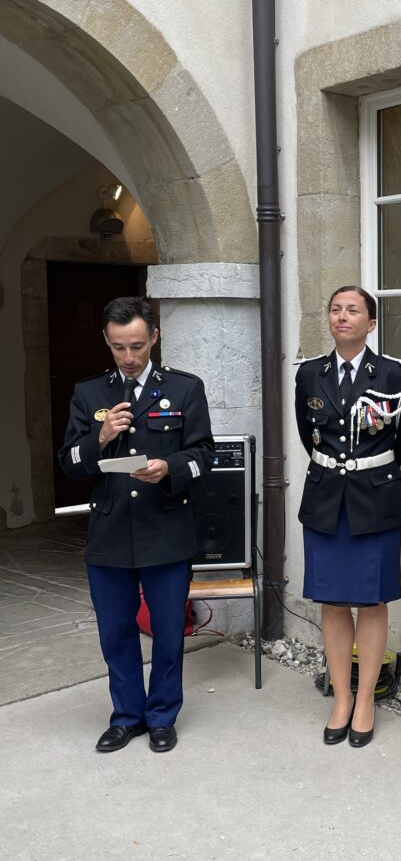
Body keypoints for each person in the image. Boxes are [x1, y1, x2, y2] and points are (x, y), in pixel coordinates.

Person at [58, 296, 213, 753]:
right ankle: (126, 716)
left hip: (165, 527)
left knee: (167, 631)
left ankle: (162, 715)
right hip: (109, 532)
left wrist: (170, 469)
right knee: (116, 632)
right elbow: (68, 463)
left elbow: (205, 455)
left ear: (155, 338)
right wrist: (99, 437)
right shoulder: (90, 393)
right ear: (107, 341)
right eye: (119, 347)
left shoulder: (185, 389)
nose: (129, 358)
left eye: (138, 346)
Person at [295, 285, 401, 748]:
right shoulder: (310, 374)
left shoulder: (395, 374)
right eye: (335, 309)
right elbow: (308, 435)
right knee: (331, 600)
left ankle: (366, 699)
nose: (342, 317)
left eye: (353, 310)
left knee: (371, 601)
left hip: (374, 502)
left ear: (371, 323)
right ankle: (341, 698)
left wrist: (377, 478)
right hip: (326, 501)